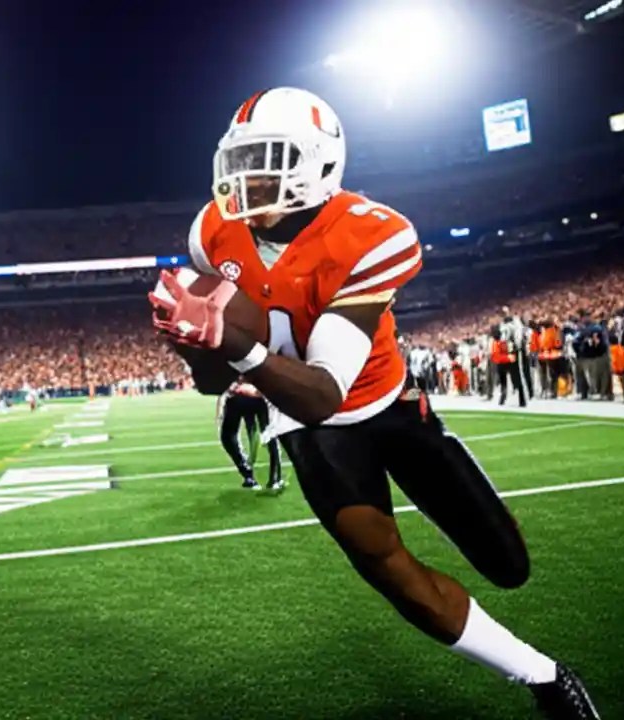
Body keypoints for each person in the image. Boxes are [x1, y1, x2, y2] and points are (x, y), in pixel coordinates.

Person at [151, 87, 597, 718]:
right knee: (382, 560)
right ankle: (543, 677)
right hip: (303, 422)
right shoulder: (212, 232)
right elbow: (214, 383)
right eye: (239, 159)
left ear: (318, 163)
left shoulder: (374, 235)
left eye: (266, 158)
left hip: (379, 400)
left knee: (507, 564)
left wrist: (240, 347)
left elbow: (326, 389)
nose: (244, 179)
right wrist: (194, 344)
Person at [217, 380, 285, 492]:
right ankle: (260, 477)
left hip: (255, 394)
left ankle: (268, 478)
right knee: (229, 437)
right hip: (241, 395)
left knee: (268, 434)